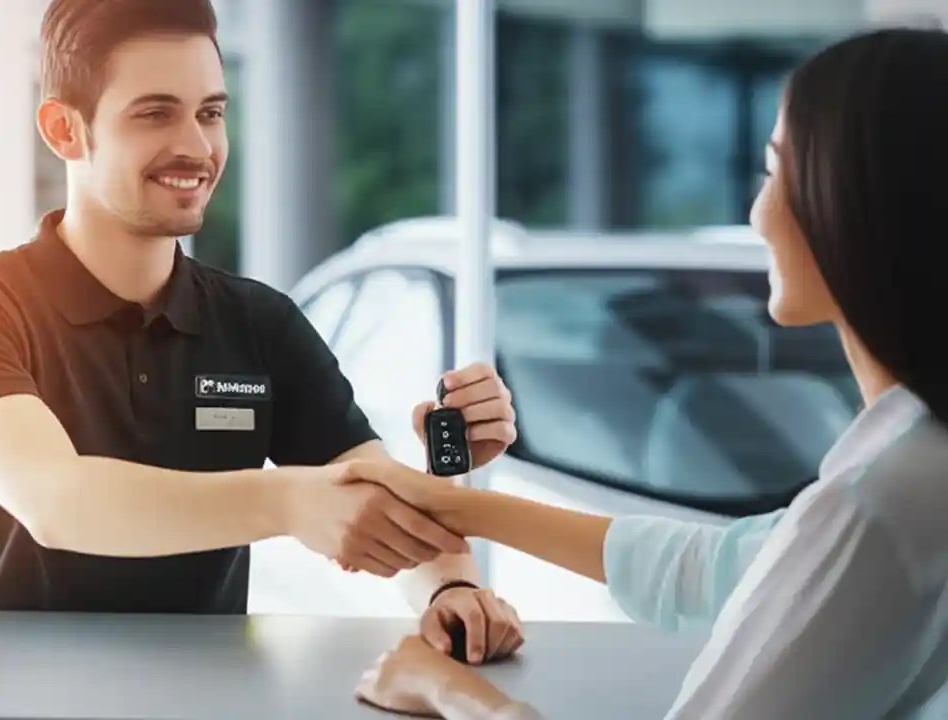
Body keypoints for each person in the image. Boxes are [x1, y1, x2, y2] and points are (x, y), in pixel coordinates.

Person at [351, 27, 948, 719]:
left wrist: (448, 690)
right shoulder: (917, 455)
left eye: (776, 171)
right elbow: (728, 564)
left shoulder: (877, 506)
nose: (757, 215)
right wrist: (468, 510)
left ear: (853, 204)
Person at [0, 0, 524, 661]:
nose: (197, 148)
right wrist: (289, 501)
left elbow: (360, 486)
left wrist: (448, 584)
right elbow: (58, 501)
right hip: (3, 704)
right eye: (155, 113)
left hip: (205, 702)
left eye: (211, 112)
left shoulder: (261, 324)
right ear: (64, 129)